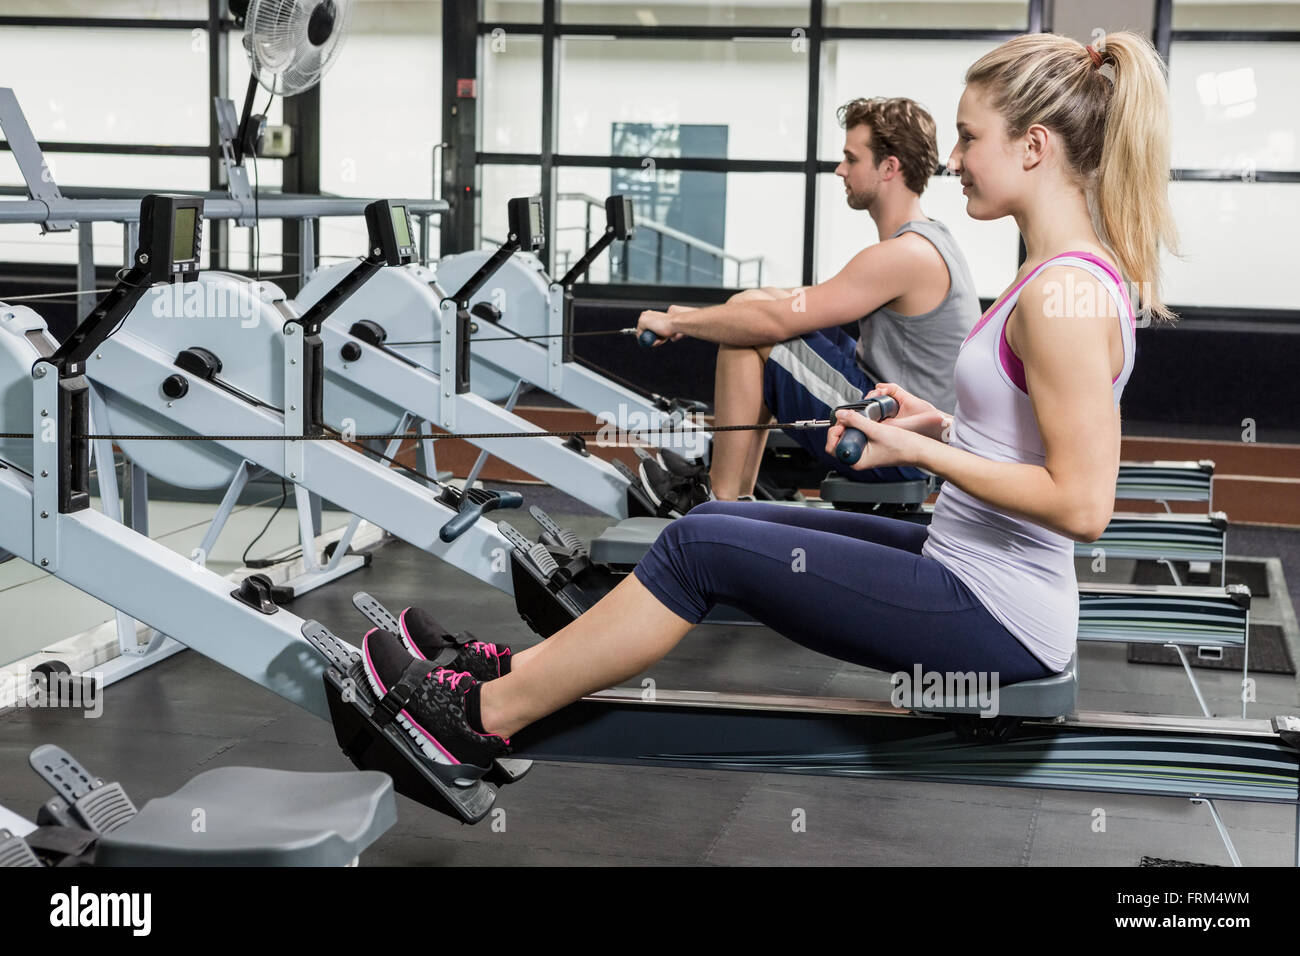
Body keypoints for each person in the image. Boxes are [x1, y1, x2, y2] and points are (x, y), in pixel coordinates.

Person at [361, 31, 1177, 773]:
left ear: (1034, 147)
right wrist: (941, 423)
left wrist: (926, 452)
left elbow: (1081, 504)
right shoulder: (1051, 276)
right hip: (962, 565)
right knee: (708, 526)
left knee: (701, 554)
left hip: (997, 616)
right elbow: (1027, 440)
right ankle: (513, 673)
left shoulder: (1063, 291)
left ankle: (480, 717)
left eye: (969, 137)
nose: (956, 158)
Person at [634, 96, 979, 510]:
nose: (840, 169)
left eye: (852, 159)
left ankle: (717, 502)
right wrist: (694, 315)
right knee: (753, 306)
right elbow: (790, 303)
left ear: (889, 168)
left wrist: (679, 325)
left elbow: (777, 321)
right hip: (900, 417)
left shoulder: (905, 254)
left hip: (901, 439)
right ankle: (735, 494)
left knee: (755, 332)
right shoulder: (924, 240)